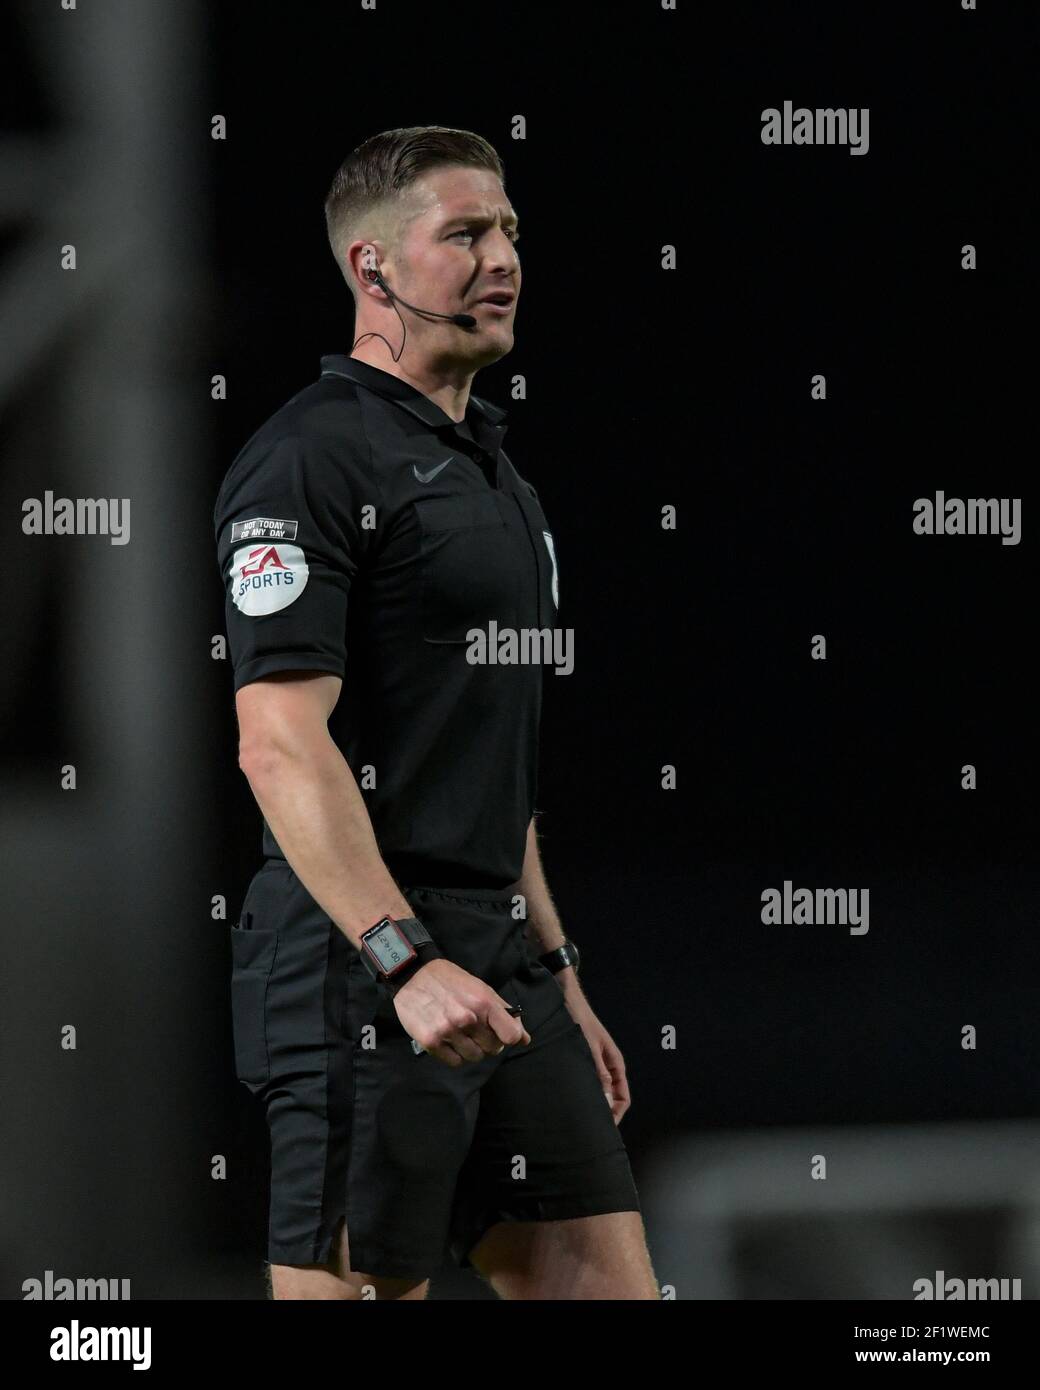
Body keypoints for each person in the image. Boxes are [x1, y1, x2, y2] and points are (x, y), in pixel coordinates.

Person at [213, 125, 659, 1300]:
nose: (502, 256)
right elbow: (277, 739)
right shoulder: (307, 461)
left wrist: (553, 967)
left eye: (508, 229)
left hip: (499, 961)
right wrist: (401, 958)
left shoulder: (495, 478)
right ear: (372, 270)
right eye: (463, 233)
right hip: (357, 964)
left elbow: (487, 761)